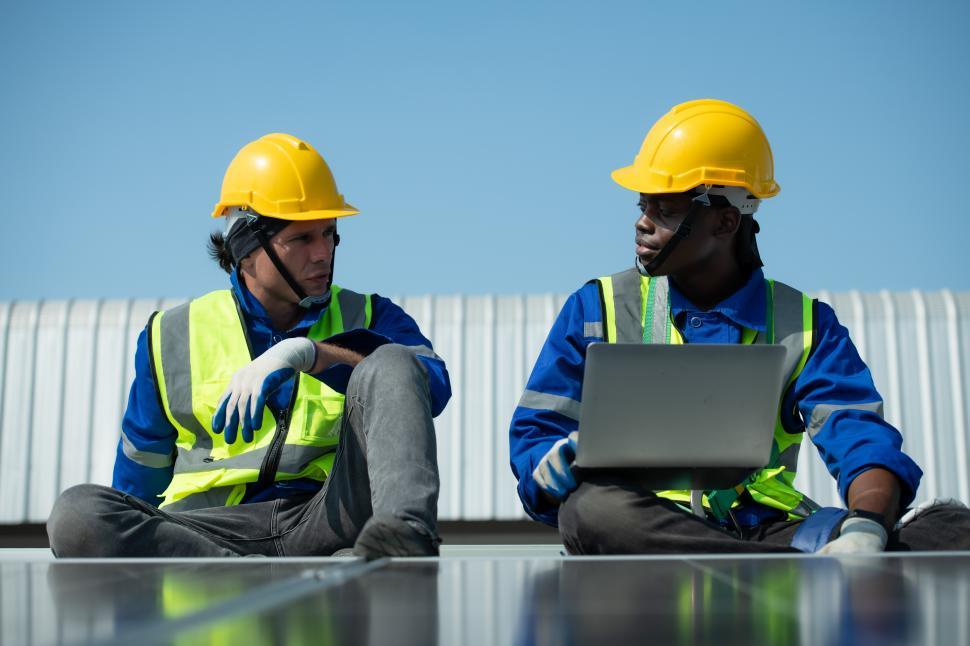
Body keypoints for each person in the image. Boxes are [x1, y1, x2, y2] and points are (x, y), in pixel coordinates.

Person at [509, 99, 970, 554]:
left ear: (726, 220)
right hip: (646, 521)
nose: (641, 224)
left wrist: (866, 528)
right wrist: (547, 465)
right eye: (642, 204)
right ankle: (789, 572)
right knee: (590, 511)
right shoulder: (598, 308)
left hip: (769, 529)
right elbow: (537, 434)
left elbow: (860, 438)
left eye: (664, 209)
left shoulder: (805, 324)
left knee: (953, 527)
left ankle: (774, 565)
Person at [47, 132, 450, 558]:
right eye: (302, 239)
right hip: (205, 534)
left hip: (327, 518)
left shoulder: (370, 315)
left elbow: (433, 385)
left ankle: (404, 538)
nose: (323, 254)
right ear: (245, 247)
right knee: (76, 513)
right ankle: (235, 572)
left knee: (394, 360)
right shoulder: (170, 335)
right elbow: (138, 481)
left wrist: (314, 354)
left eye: (329, 234)